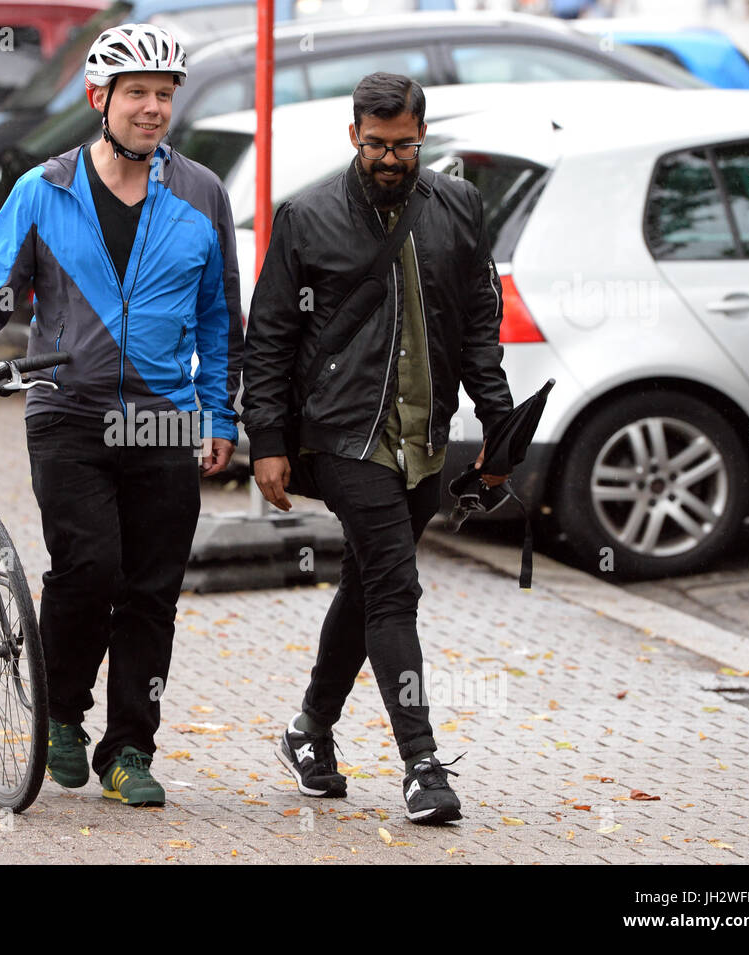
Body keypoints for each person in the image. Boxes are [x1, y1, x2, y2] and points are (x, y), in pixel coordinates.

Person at [0, 23, 242, 808]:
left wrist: (219, 414)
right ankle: (63, 711)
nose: (153, 109)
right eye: (137, 94)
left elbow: (220, 317)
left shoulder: (201, 193)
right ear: (99, 100)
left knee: (152, 588)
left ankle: (129, 747)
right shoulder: (45, 190)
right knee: (90, 568)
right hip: (69, 410)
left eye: (164, 96)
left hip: (163, 416)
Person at [242, 72, 513, 825]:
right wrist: (267, 439)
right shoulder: (307, 215)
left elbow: (477, 323)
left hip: (425, 440)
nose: (388, 158)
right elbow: (269, 336)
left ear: (422, 133)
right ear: (352, 133)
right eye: (374, 143)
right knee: (397, 588)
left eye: (401, 144)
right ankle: (422, 764)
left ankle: (307, 731)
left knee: (365, 586)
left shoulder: (457, 205)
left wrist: (500, 425)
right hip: (343, 435)